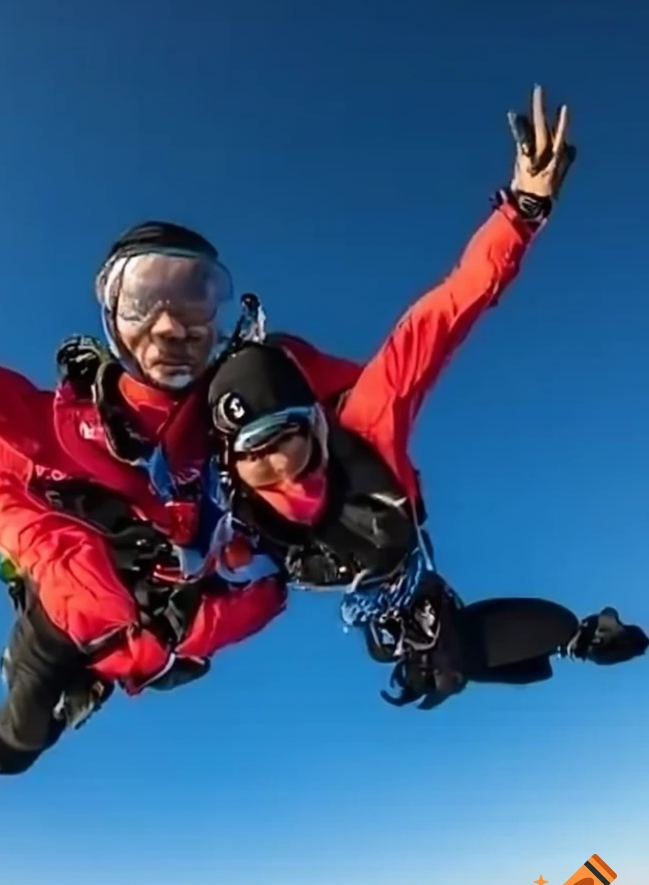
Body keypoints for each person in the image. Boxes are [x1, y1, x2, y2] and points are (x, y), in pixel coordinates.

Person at [0, 214, 362, 800]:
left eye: (196, 298)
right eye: (141, 302)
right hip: (69, 616)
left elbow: (377, 397)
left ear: (225, 316)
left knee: (127, 672)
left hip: (138, 640)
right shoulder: (55, 428)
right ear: (112, 318)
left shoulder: (259, 414)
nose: (170, 326)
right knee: (9, 750)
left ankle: (101, 662)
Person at [204, 87, 648, 709]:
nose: (282, 468)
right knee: (431, 659)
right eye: (258, 453)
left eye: (291, 440)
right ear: (231, 460)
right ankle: (543, 641)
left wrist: (522, 210)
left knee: (448, 651)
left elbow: (442, 314)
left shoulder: (368, 417)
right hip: (368, 575)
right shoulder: (219, 500)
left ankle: (577, 636)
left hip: (389, 551)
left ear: (318, 424)